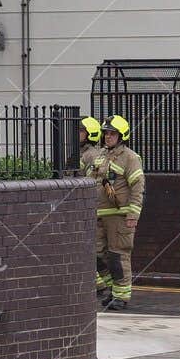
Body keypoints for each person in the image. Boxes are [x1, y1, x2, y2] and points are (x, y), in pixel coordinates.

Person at [96, 115, 145, 311]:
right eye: (106, 133)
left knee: (118, 256)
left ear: (121, 135)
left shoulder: (130, 158)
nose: (108, 137)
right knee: (97, 255)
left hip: (120, 216)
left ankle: (121, 296)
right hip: (99, 214)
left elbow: (138, 186)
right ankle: (113, 289)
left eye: (112, 133)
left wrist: (133, 214)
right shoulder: (100, 155)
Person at [77, 116, 110, 299]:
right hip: (90, 208)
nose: (77, 135)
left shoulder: (90, 155)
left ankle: (99, 284)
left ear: (90, 134)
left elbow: (85, 181)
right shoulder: (85, 153)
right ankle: (101, 283)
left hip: (91, 208)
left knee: (94, 251)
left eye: (81, 131)